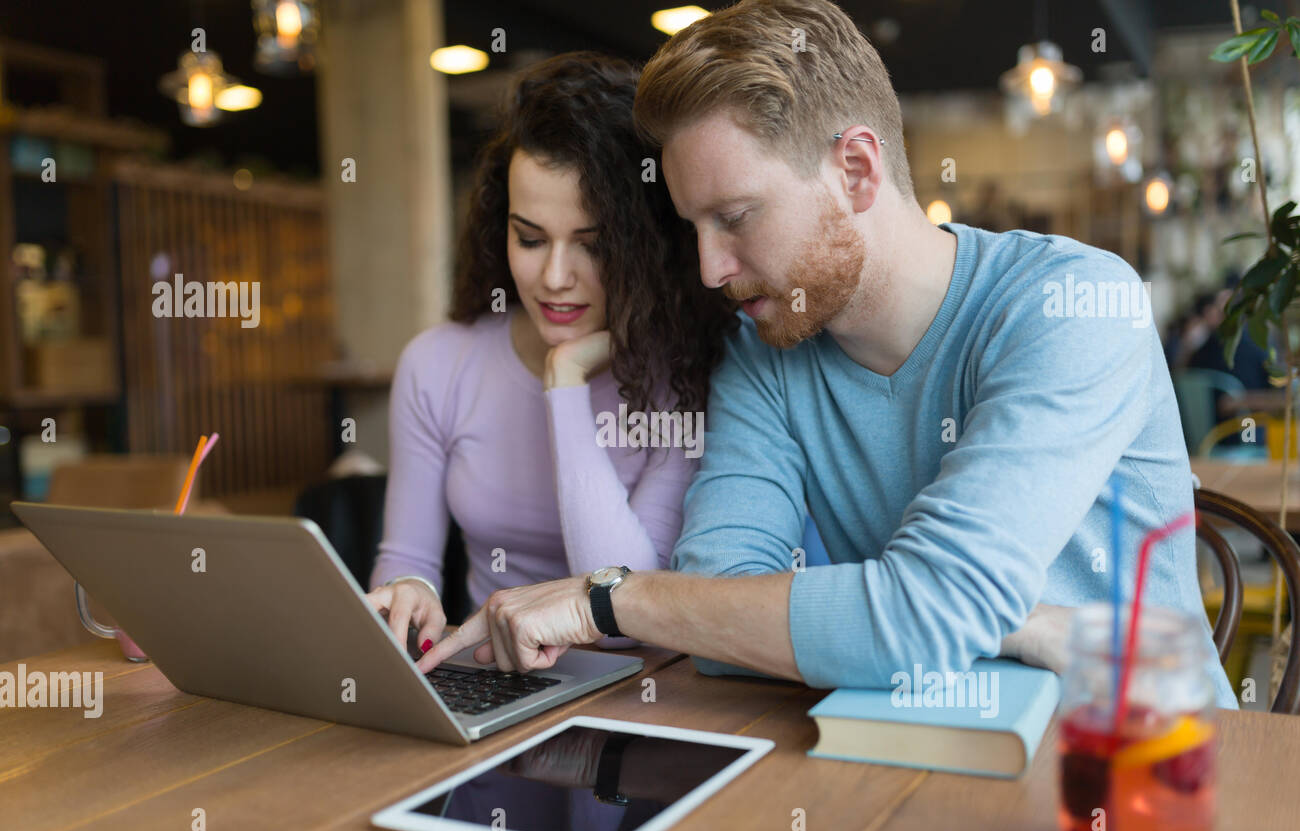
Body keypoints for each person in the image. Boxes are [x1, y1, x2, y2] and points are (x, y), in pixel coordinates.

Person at [419, 0, 1237, 709]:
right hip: (911, 751)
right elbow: (717, 624)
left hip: (1152, 769)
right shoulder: (766, 352)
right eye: (694, 227)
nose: (709, 269)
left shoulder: (1072, 307)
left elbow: (917, 618)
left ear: (855, 169)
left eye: (736, 216)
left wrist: (613, 602)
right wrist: (1002, 620)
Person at [365, 52, 734, 654]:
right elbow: (406, 559)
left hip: (640, 696)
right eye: (530, 239)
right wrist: (409, 592)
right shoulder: (436, 364)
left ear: (646, 243)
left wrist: (564, 381)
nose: (555, 277)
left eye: (593, 246)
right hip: (492, 682)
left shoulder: (689, 375)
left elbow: (621, 617)